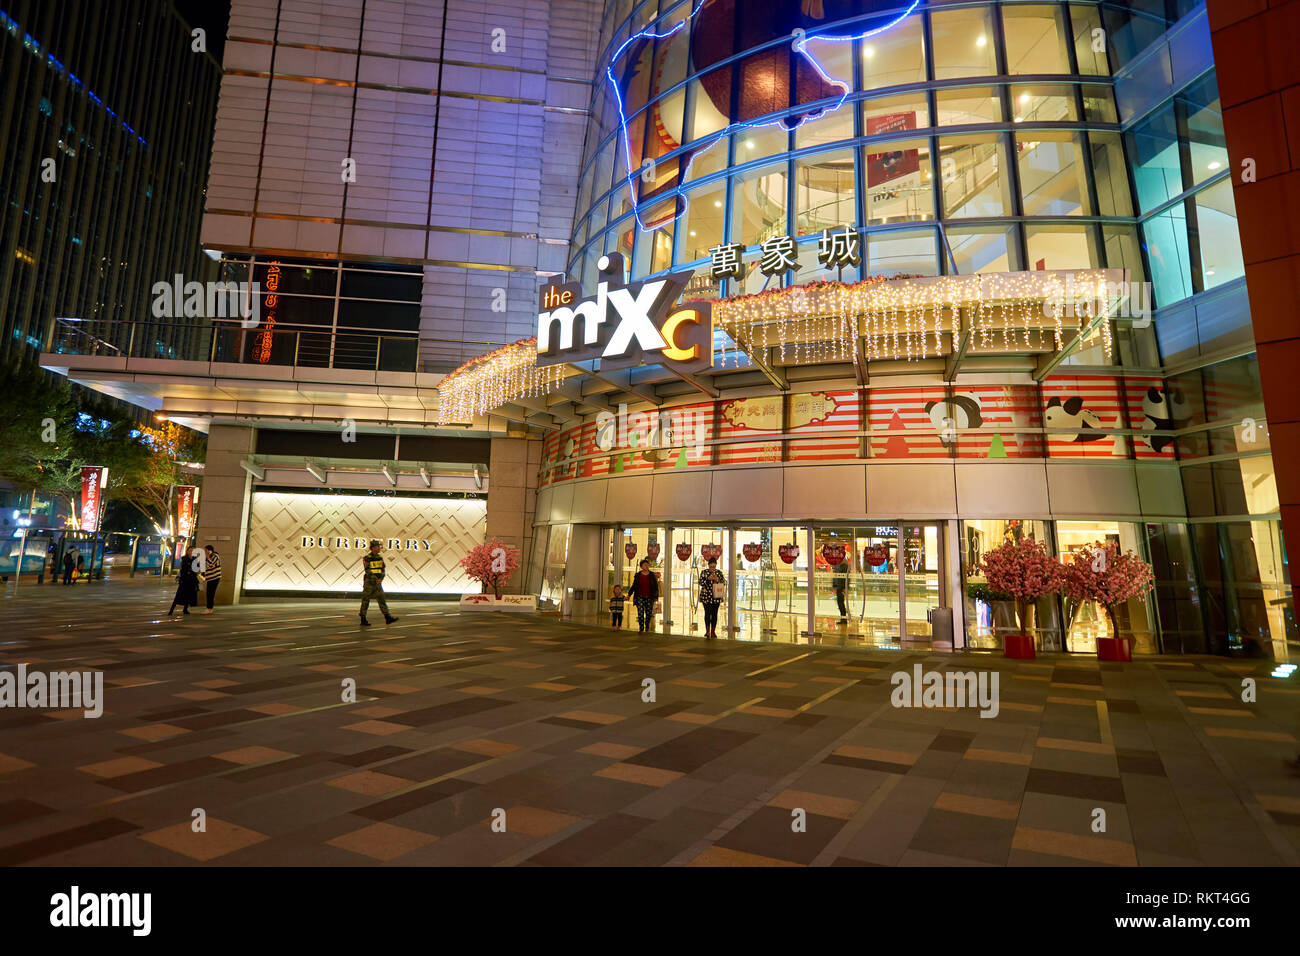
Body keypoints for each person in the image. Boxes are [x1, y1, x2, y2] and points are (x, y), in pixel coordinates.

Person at [360, 539, 398, 626]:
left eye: (379, 547)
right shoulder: (367, 558)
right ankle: (363, 618)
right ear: (372, 548)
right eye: (377, 547)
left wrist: (381, 578)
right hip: (369, 582)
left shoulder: (380, 557)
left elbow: (382, 569)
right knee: (365, 601)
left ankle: (387, 617)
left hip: (378, 583)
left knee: (382, 600)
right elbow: (368, 570)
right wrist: (375, 579)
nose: (379, 548)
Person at [698, 557, 725, 640]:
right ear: (708, 565)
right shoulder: (704, 572)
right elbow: (700, 582)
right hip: (706, 597)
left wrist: (717, 579)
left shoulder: (719, 573)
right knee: (707, 613)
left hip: (715, 597)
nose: (712, 569)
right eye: (711, 567)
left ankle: (713, 631)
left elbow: (723, 582)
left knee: (714, 614)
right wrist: (708, 579)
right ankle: (707, 631)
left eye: (714, 567)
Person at [168, 547, 200, 616]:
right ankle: (171, 610)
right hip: (185, 580)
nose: (191, 552)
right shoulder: (184, 558)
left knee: (188, 595)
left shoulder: (195, 559)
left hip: (192, 580)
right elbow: (183, 569)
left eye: (193, 550)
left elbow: (197, 568)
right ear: (187, 551)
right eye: (190, 550)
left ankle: (185, 609)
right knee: (179, 595)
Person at [631, 558, 659, 633]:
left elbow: (656, 586)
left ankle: (647, 625)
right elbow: (634, 586)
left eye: (647, 565)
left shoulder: (652, 575)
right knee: (640, 613)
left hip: (650, 597)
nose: (646, 566)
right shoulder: (638, 575)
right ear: (641, 567)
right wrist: (629, 594)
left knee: (649, 613)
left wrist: (656, 597)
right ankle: (641, 627)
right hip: (640, 597)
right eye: (645, 565)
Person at [200, 545, 222, 614]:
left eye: (206, 550)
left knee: (211, 593)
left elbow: (211, 564)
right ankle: (209, 608)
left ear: (210, 550)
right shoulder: (207, 557)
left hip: (215, 577)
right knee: (209, 593)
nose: (205, 552)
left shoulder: (215, 556)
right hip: (209, 578)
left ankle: (209, 608)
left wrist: (207, 557)